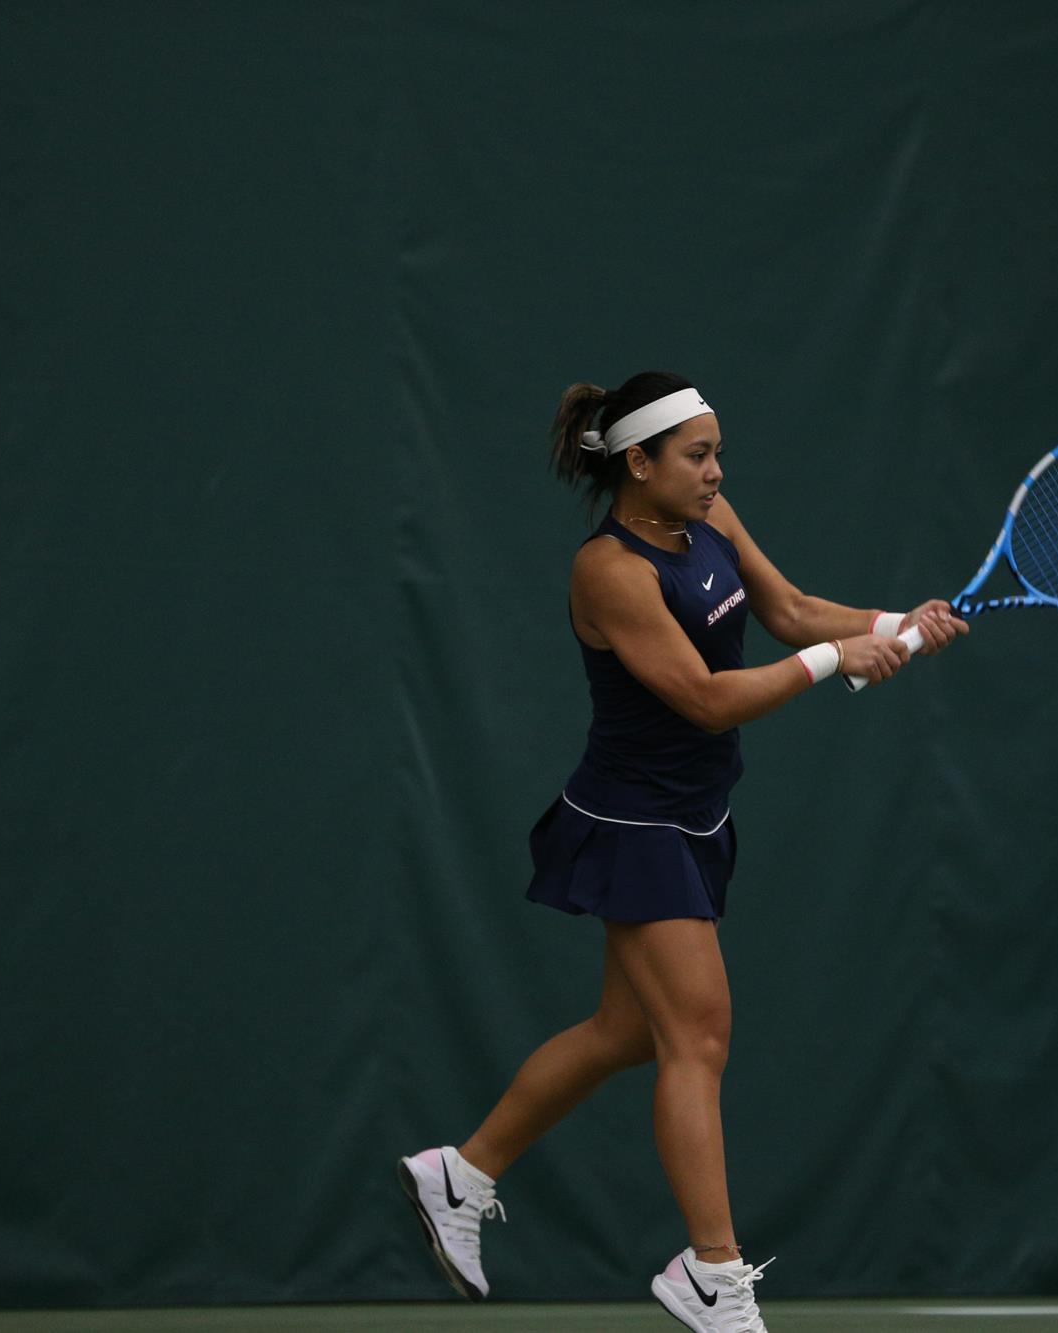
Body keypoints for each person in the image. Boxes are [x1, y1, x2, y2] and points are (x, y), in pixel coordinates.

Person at [398, 372, 965, 1331]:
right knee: (698, 1034)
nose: (714, 472)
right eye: (697, 455)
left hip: (696, 816)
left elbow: (784, 608)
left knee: (627, 1031)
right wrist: (838, 663)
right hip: (635, 825)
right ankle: (711, 1272)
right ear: (638, 462)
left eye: (717, 453)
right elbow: (705, 697)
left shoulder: (710, 520)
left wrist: (886, 625)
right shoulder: (608, 572)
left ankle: (461, 1173)